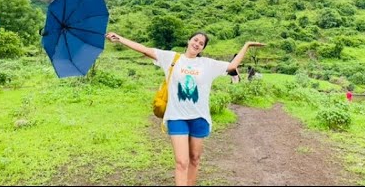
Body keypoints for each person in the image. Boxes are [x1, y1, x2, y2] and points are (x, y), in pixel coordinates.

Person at [106, 31, 265, 186]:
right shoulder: (172, 58)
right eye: (195, 40)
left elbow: (233, 65)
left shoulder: (208, 64)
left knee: (195, 159)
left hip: (199, 117)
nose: (197, 44)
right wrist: (120, 39)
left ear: (203, 48)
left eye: (201, 43)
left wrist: (247, 45)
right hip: (177, 117)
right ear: (189, 41)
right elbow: (144, 49)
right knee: (182, 162)